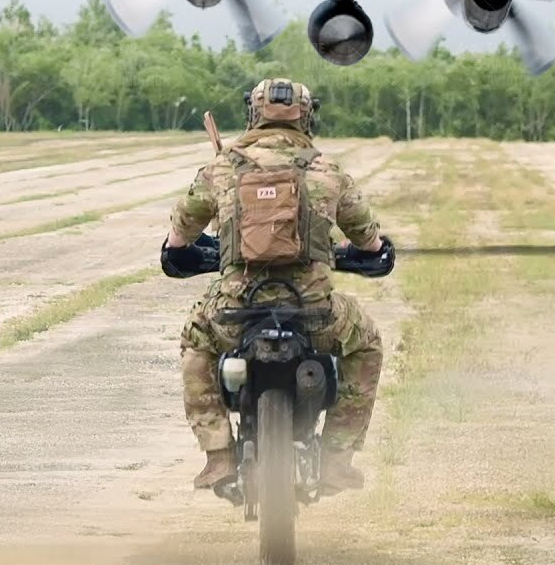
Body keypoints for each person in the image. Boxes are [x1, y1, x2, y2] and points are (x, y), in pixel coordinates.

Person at [163, 78, 389, 496]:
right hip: (315, 313)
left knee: (195, 338)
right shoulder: (327, 170)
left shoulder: (222, 167)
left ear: (253, 113)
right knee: (368, 343)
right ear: (307, 117)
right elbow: (369, 242)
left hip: (234, 311)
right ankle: (337, 460)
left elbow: (179, 239)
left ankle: (218, 456)